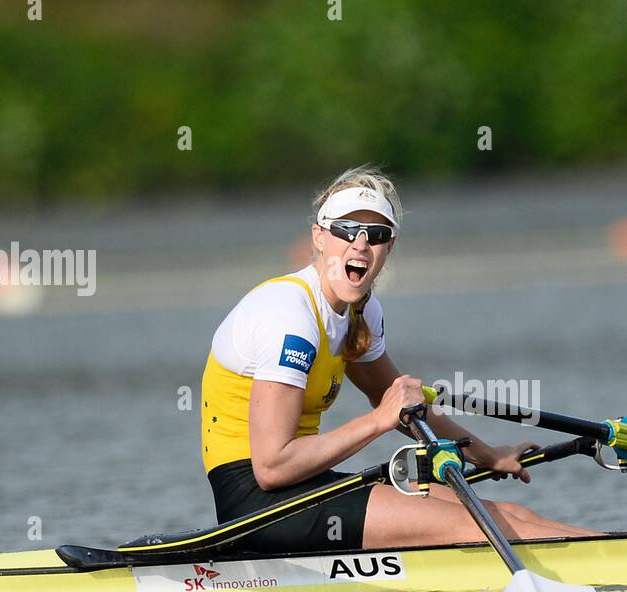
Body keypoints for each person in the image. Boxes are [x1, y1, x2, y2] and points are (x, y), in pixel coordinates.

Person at [200, 165, 595, 553]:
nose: (360, 244)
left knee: (510, 514)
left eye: (376, 235)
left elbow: (402, 405)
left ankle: (625, 555)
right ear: (318, 237)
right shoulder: (291, 316)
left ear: (388, 248)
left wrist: (487, 454)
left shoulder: (361, 313)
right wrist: (377, 421)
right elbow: (272, 468)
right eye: (346, 230)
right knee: (479, 528)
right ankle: (625, 563)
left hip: (306, 487)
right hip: (257, 506)